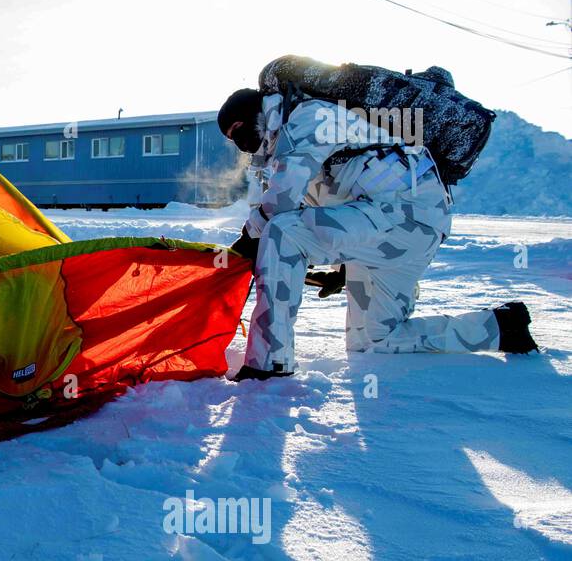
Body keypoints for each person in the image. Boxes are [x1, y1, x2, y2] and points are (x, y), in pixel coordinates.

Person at [216, 86, 537, 382]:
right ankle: (501, 328)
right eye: (233, 140)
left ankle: (269, 366)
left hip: (404, 216)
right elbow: (336, 202)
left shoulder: (308, 117)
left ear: (260, 112)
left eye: (239, 130)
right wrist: (341, 264)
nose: (240, 142)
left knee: (283, 233)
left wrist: (249, 238)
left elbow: (282, 204)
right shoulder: (285, 146)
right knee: (374, 339)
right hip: (410, 230)